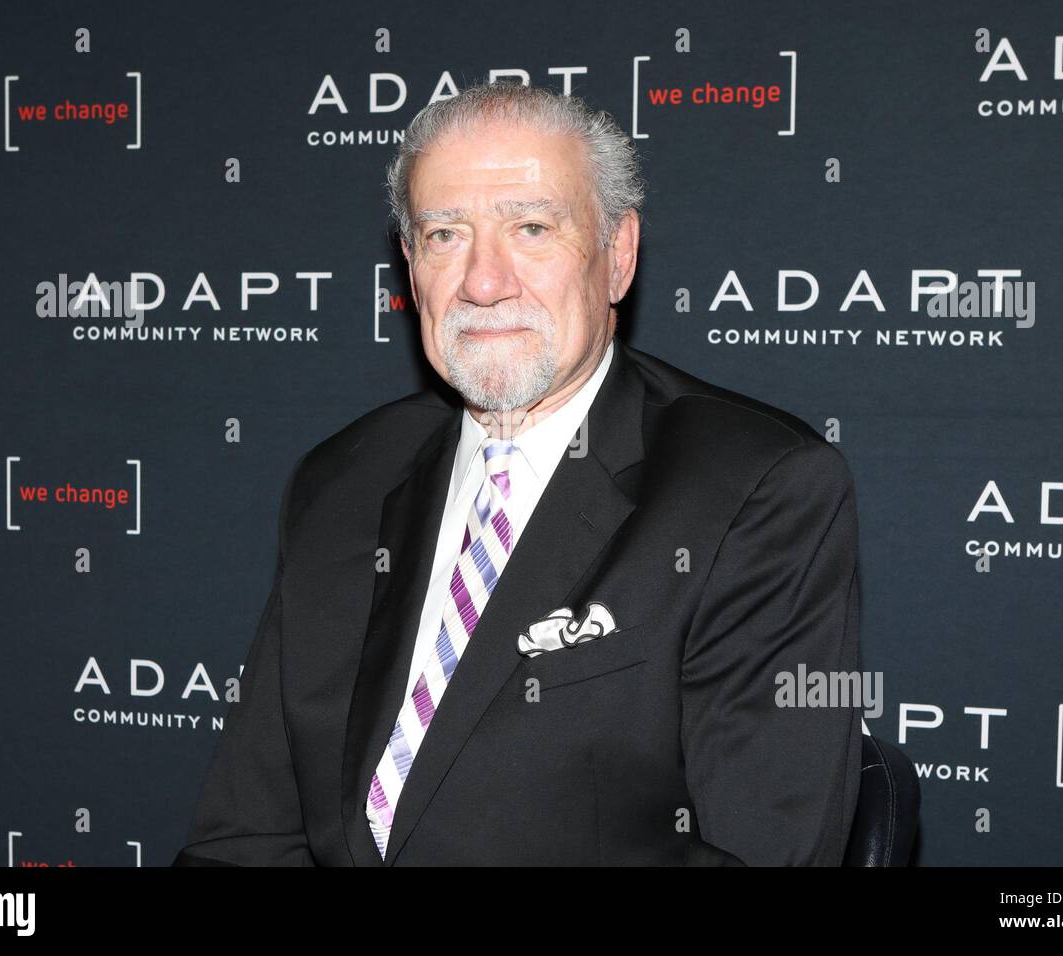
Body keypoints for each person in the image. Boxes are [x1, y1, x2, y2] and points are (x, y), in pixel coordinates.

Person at [175, 80, 863, 866]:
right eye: (444, 235)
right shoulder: (342, 480)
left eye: (531, 228)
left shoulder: (756, 489)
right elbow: (246, 836)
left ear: (619, 255)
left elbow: (757, 852)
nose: (483, 280)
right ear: (408, 262)